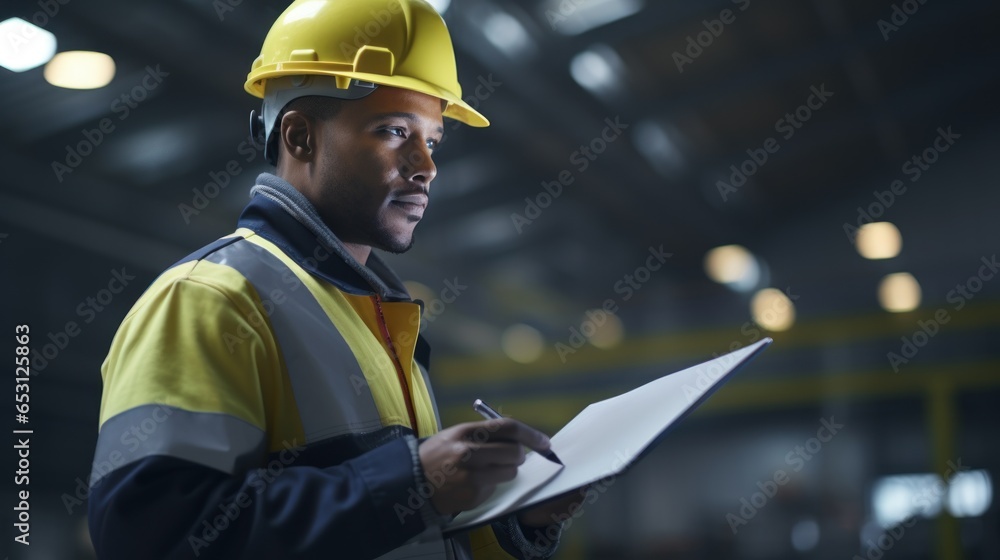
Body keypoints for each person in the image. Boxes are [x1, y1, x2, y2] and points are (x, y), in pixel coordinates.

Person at [87, 0, 579, 558]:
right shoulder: (211, 298)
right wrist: (410, 482)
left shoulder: (378, 318)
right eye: (394, 130)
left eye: (432, 140)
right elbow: (149, 537)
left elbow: (410, 532)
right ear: (300, 137)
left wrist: (520, 514)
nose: (426, 166)